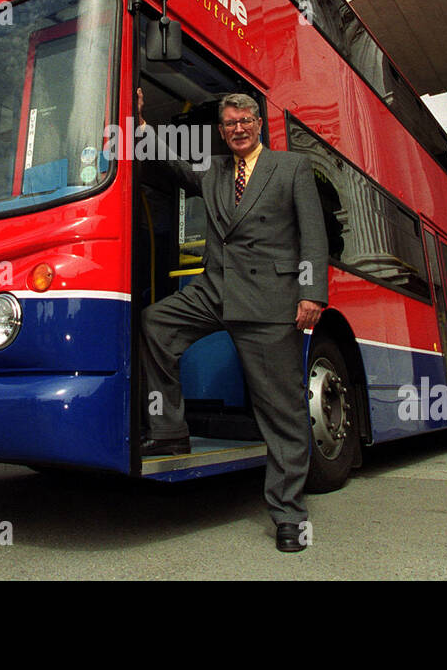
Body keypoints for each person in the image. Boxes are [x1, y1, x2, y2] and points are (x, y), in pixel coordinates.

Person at [137, 90, 328, 553]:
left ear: (258, 123)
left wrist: (312, 294)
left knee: (280, 411)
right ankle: (170, 433)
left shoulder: (291, 168)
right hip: (215, 291)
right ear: (221, 131)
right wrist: (140, 123)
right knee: (155, 322)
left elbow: (313, 234)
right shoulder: (217, 170)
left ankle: (288, 513)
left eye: (245, 120)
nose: (238, 128)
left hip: (269, 302)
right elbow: (174, 162)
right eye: (229, 124)